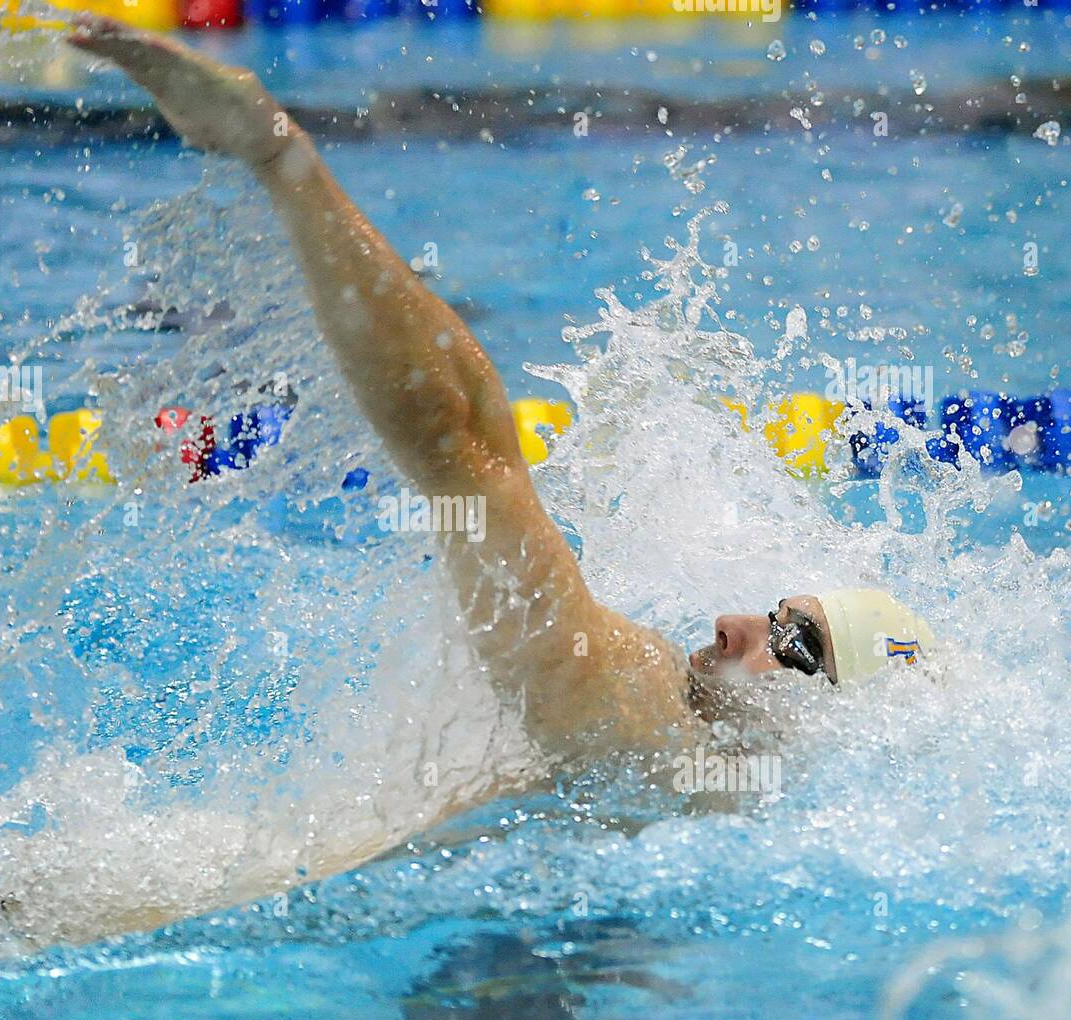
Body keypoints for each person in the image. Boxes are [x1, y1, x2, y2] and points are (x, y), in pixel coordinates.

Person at [69, 18, 936, 776]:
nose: (730, 623)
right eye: (774, 614)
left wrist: (279, 155)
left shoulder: (662, 745)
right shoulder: (677, 731)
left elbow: (464, 449)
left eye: (790, 644)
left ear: (838, 714)